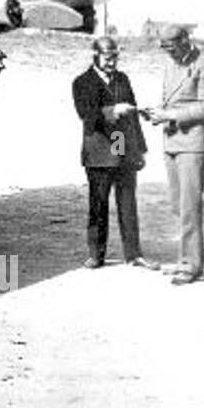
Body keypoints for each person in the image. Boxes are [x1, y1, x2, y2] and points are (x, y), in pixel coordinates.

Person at [71, 37, 155, 269]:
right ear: (96, 56)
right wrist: (113, 110)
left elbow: (132, 117)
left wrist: (139, 149)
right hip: (98, 152)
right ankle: (96, 255)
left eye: (115, 57)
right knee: (98, 205)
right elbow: (87, 115)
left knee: (128, 203)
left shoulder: (123, 79)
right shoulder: (82, 82)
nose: (112, 62)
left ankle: (134, 254)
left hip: (122, 148)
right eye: (108, 58)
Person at [143, 24, 204, 284]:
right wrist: (157, 113)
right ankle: (186, 257)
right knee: (177, 204)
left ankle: (192, 264)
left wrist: (171, 115)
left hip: (194, 144)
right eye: (164, 49)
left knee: (189, 206)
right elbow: (170, 101)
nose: (169, 53)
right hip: (172, 141)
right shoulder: (169, 64)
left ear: (186, 40)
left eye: (172, 48)